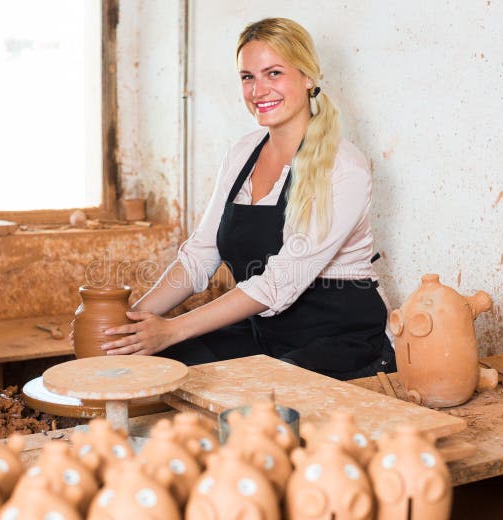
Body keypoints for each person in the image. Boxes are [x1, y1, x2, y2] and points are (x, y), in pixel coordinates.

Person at [100, 17, 396, 380]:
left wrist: (173, 328)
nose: (259, 90)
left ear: (308, 77)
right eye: (248, 77)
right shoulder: (243, 153)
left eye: (274, 73)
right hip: (267, 336)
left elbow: (277, 284)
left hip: (340, 342)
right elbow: (200, 256)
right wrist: (128, 325)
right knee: (164, 368)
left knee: (260, 397)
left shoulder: (343, 168)